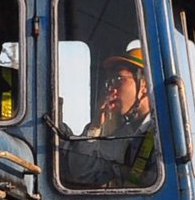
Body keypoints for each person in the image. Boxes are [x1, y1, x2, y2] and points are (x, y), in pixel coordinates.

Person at [62, 44, 159, 188]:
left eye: (119, 80)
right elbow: (80, 171)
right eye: (110, 82)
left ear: (144, 85)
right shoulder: (125, 136)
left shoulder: (170, 132)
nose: (112, 89)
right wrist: (95, 126)